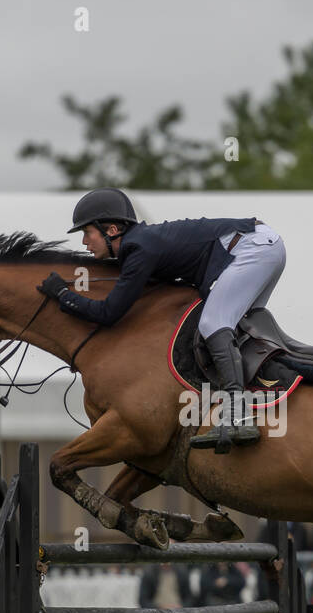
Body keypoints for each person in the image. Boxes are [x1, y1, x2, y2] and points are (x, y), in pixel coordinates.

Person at [37, 187, 286, 454]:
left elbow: (108, 313)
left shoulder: (139, 249)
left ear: (111, 230)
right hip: (261, 245)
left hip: (253, 249)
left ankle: (238, 416)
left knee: (213, 324)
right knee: (232, 327)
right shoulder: (140, 245)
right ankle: (256, 403)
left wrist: (63, 296)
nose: (85, 242)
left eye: (88, 233)